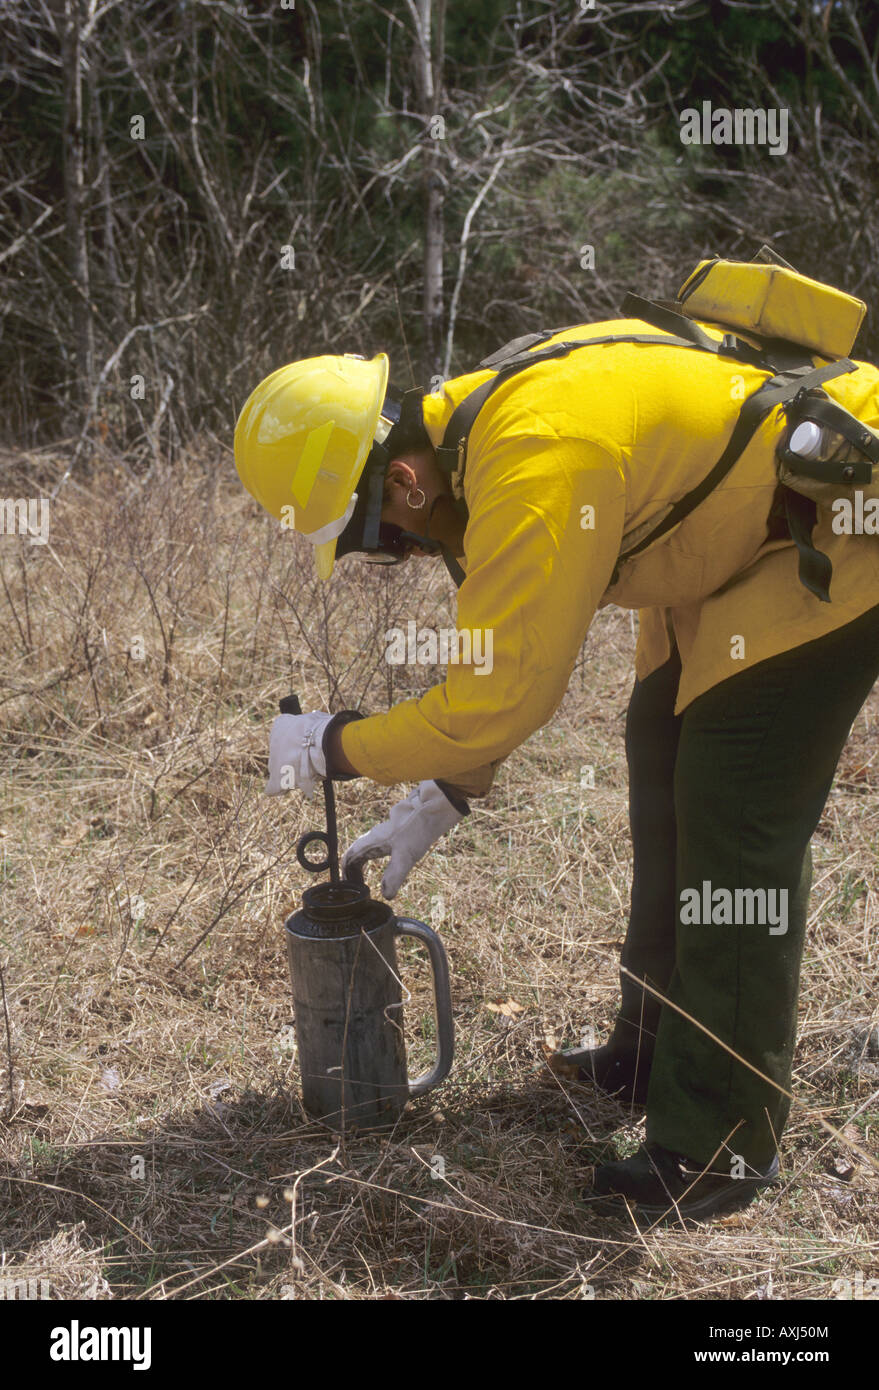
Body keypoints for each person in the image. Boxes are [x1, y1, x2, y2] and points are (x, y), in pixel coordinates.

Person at [234, 312, 879, 1221]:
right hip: (730, 551)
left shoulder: (531, 456)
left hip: (831, 539)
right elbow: (508, 658)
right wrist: (447, 791)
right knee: (660, 758)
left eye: (376, 537)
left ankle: (719, 1145)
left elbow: (502, 699)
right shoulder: (471, 443)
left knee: (730, 815)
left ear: (405, 480)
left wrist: (334, 746)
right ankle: (653, 1048)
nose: (393, 556)